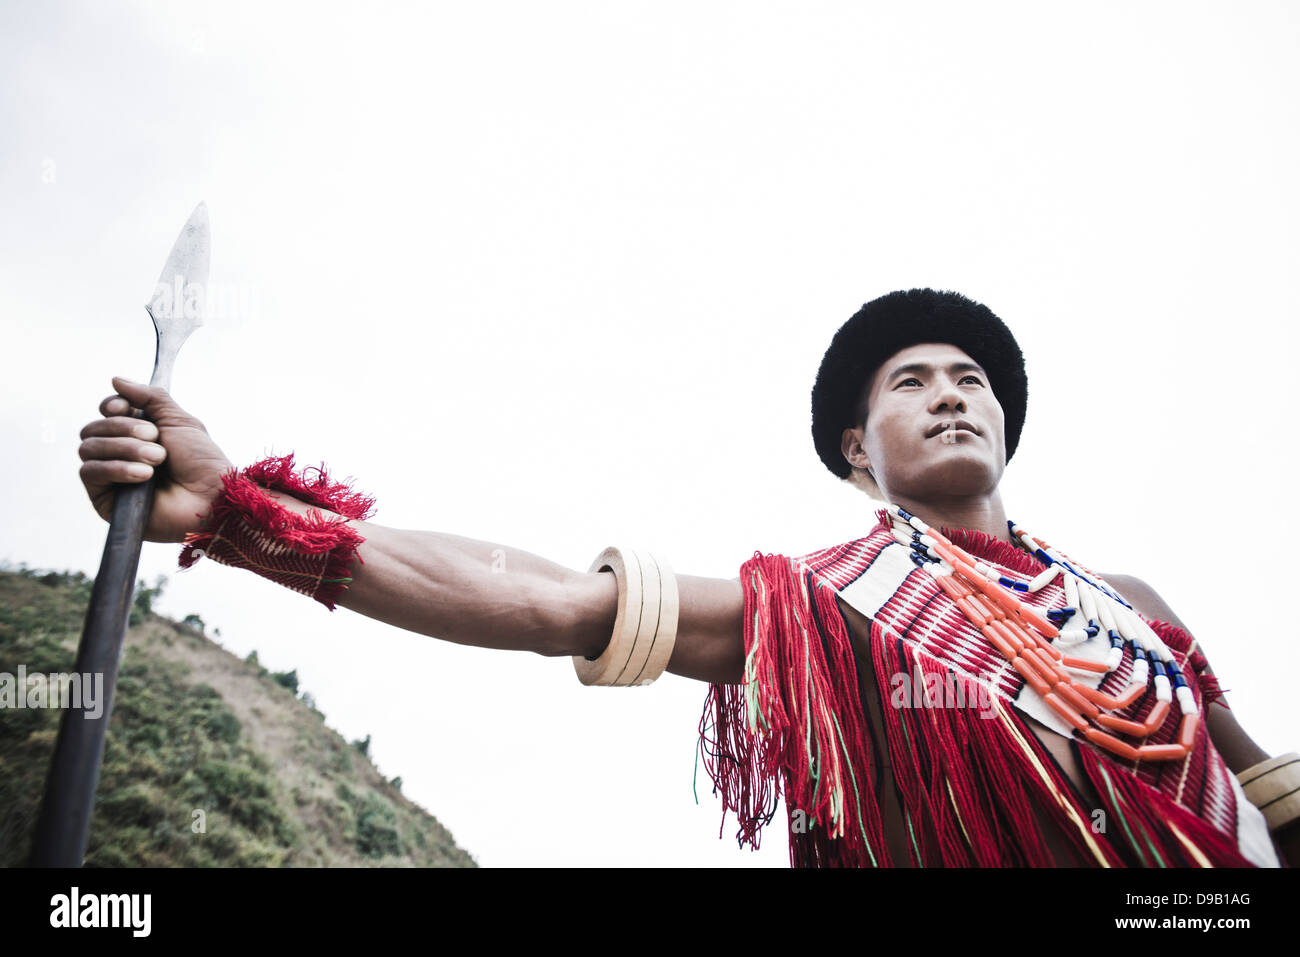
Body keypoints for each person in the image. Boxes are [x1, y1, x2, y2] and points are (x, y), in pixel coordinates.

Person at [77, 288, 1298, 867]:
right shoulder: (826, 605)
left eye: (970, 376)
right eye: (910, 383)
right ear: (855, 454)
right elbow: (556, 601)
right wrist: (238, 512)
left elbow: (1270, 797)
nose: (950, 391)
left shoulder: (1129, 607)